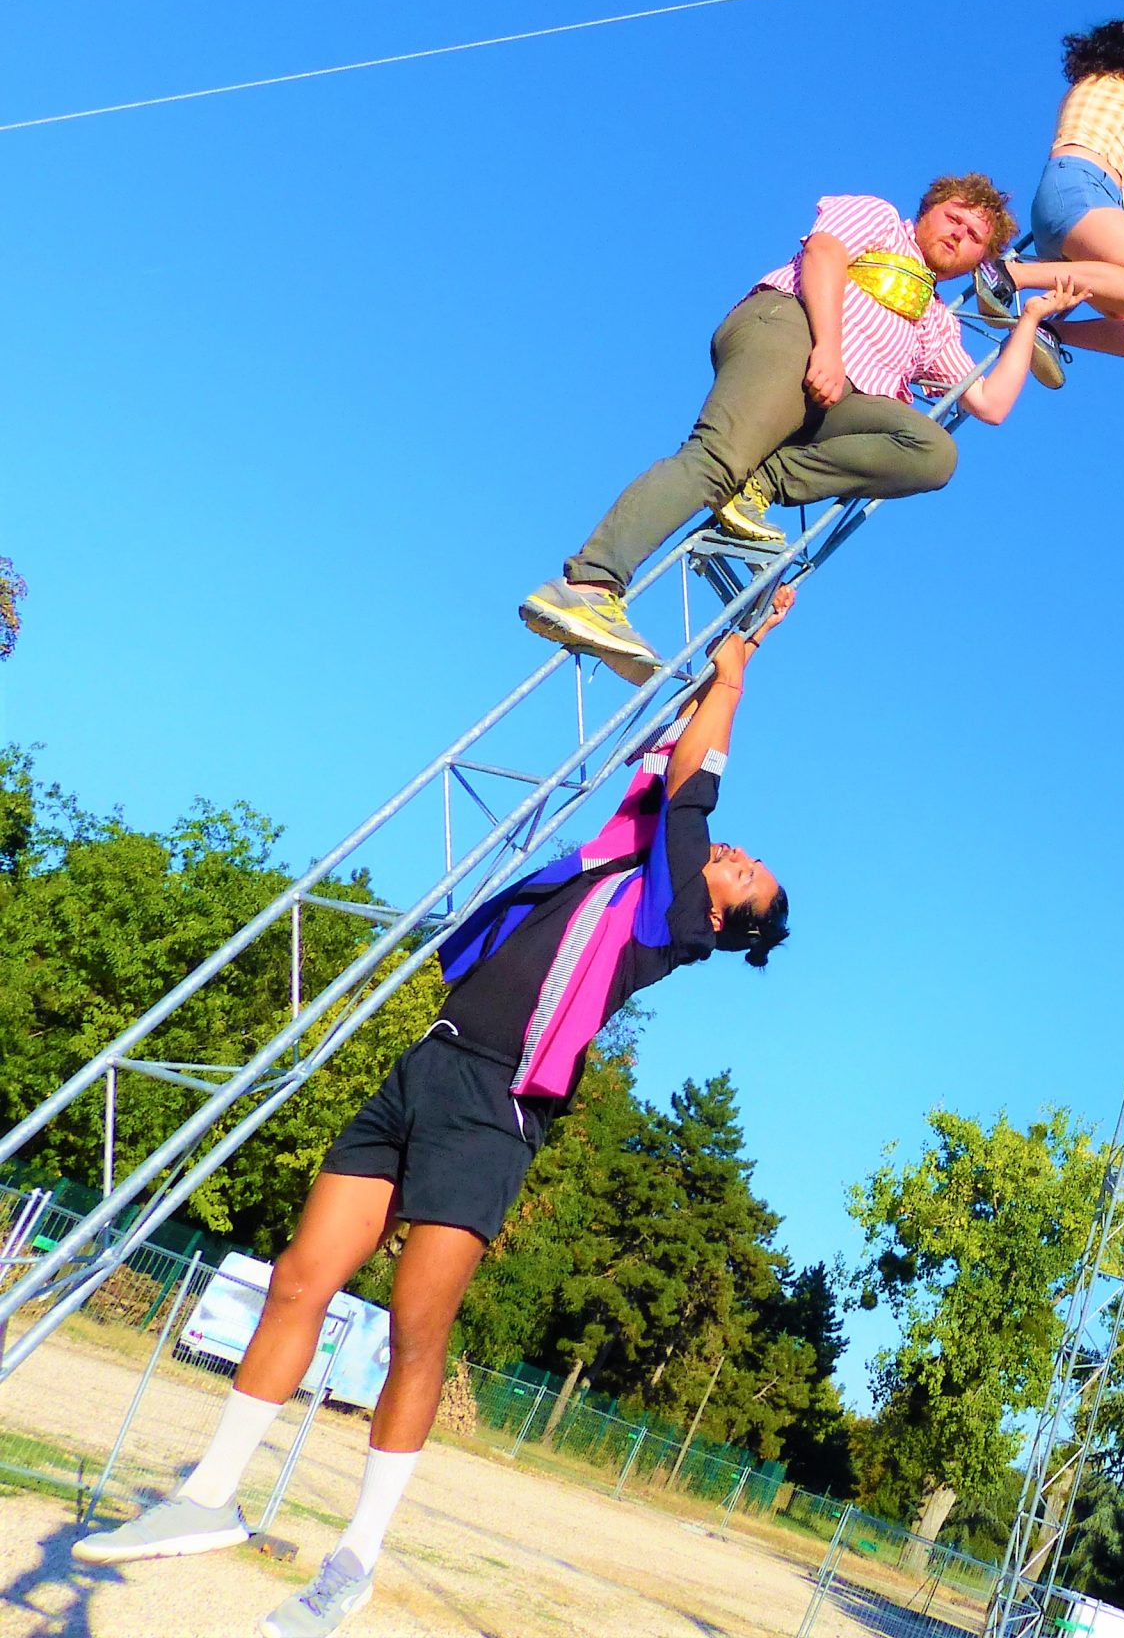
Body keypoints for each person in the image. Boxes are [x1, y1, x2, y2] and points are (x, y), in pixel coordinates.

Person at [72, 591, 800, 1637]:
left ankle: (354, 1562)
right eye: (738, 854)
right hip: (427, 1067)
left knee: (417, 1331)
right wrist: (725, 656)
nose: (733, 857)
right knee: (297, 1281)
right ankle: (208, 1498)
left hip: (496, 1107)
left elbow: (690, 806)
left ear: (727, 914)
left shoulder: (673, 921)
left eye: (746, 871)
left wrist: (737, 679)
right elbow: (660, 775)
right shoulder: (615, 867)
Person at [519, 176, 1085, 681]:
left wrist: (1030, 318)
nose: (959, 234)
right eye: (953, 217)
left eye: (974, 237)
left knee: (933, 452)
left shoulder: (934, 321)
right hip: (794, 333)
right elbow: (823, 252)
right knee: (715, 460)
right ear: (927, 211)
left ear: (979, 260)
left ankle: (762, 484)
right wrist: (828, 349)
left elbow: (989, 402)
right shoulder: (884, 221)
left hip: (839, 397)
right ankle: (588, 585)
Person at [975, 18, 1124, 366]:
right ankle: (1012, 274)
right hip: (1083, 191)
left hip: (1061, 205)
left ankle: (1047, 331)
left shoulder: (1081, 88)